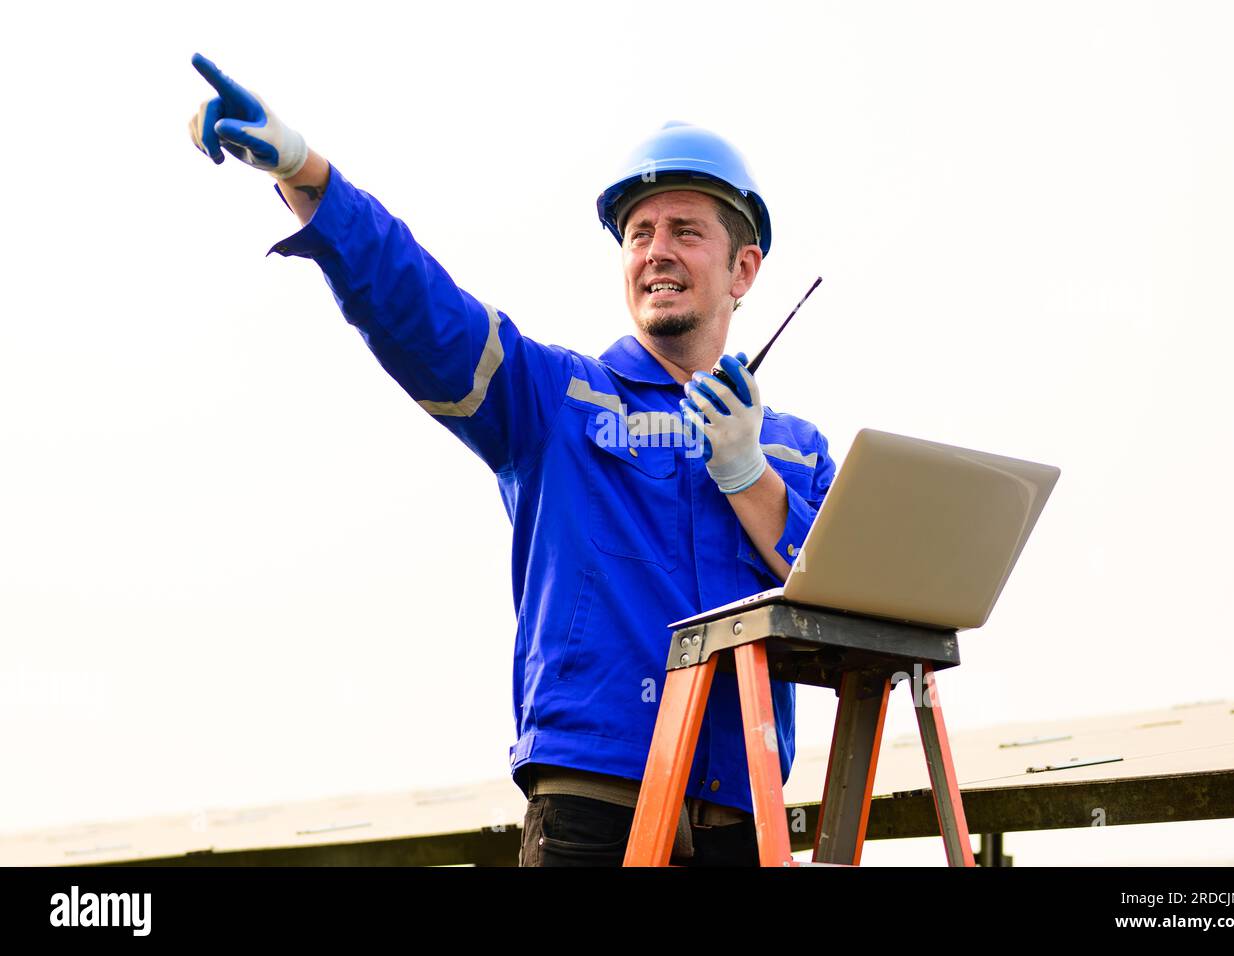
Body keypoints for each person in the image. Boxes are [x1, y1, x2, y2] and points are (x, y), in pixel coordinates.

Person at [188, 53, 837, 867]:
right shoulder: (554, 401)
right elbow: (421, 310)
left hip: (746, 821)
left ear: (744, 269)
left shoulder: (797, 450)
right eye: (640, 233)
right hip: (595, 807)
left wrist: (750, 476)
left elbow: (844, 606)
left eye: (685, 230)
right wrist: (306, 173)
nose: (656, 251)